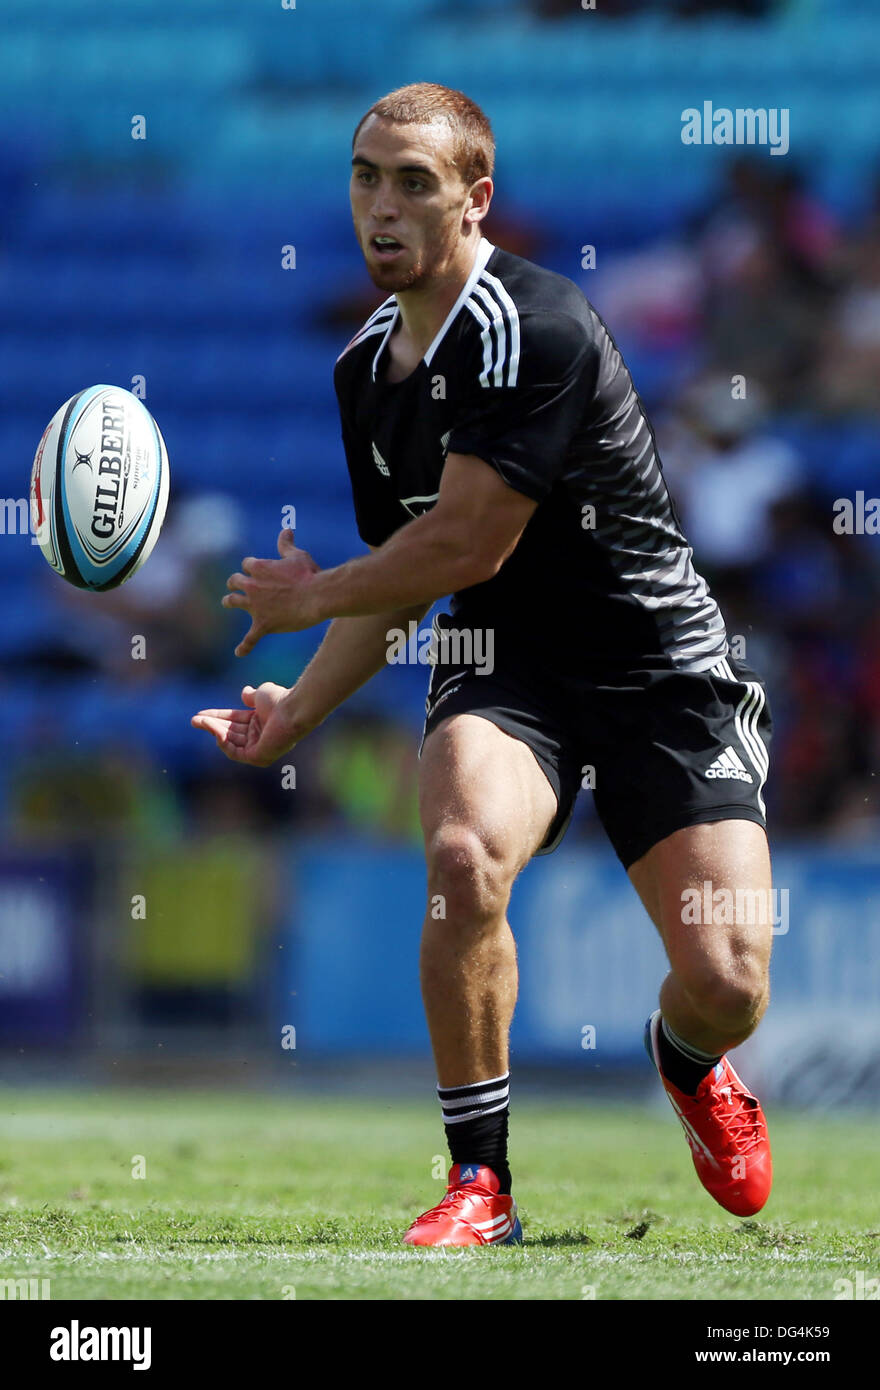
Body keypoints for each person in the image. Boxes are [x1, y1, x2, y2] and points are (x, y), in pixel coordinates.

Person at [193, 83, 774, 1247]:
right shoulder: (364, 370)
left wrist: (309, 600)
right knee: (461, 852)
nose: (381, 206)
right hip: (503, 657)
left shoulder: (534, 323)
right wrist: (297, 714)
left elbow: (465, 540)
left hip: (657, 662)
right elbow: (411, 567)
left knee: (729, 976)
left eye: (414, 181)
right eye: (365, 176)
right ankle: (481, 1183)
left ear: (475, 199)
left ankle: (686, 1056)